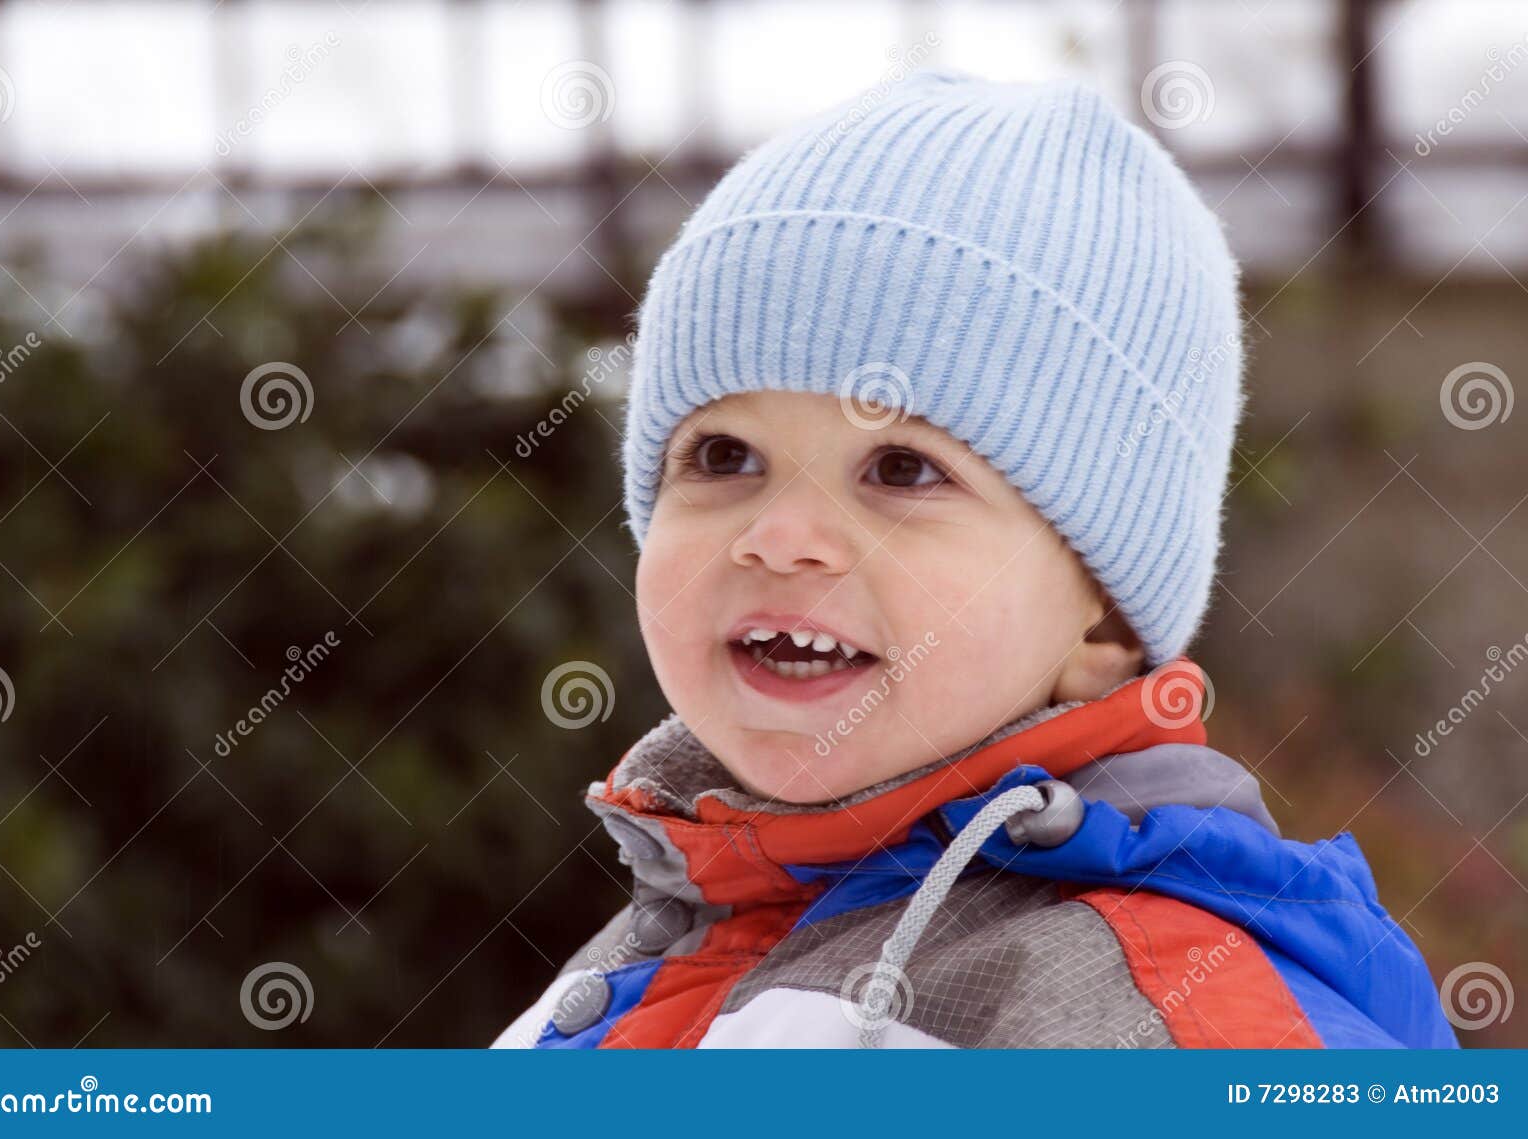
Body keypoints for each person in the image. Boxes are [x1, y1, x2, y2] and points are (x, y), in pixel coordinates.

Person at [491, 68, 1458, 1049]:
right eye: (724, 456)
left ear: (1102, 617)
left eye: (902, 469)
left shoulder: (1160, 1012)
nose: (777, 536)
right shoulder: (657, 950)